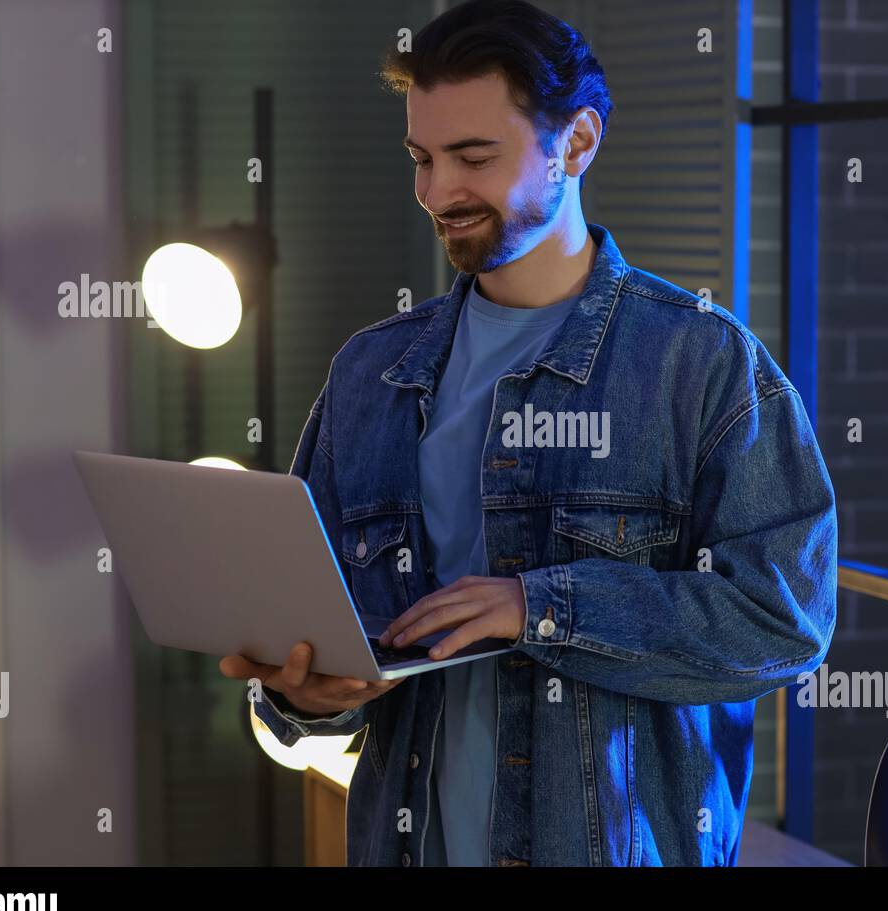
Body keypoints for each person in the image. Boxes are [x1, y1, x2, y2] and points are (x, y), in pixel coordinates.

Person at [220, 0, 837, 867]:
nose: (438, 193)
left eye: (474, 157)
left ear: (576, 143)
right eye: (422, 159)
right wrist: (312, 696)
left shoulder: (700, 366)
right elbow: (326, 650)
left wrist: (538, 608)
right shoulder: (370, 376)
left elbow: (782, 621)